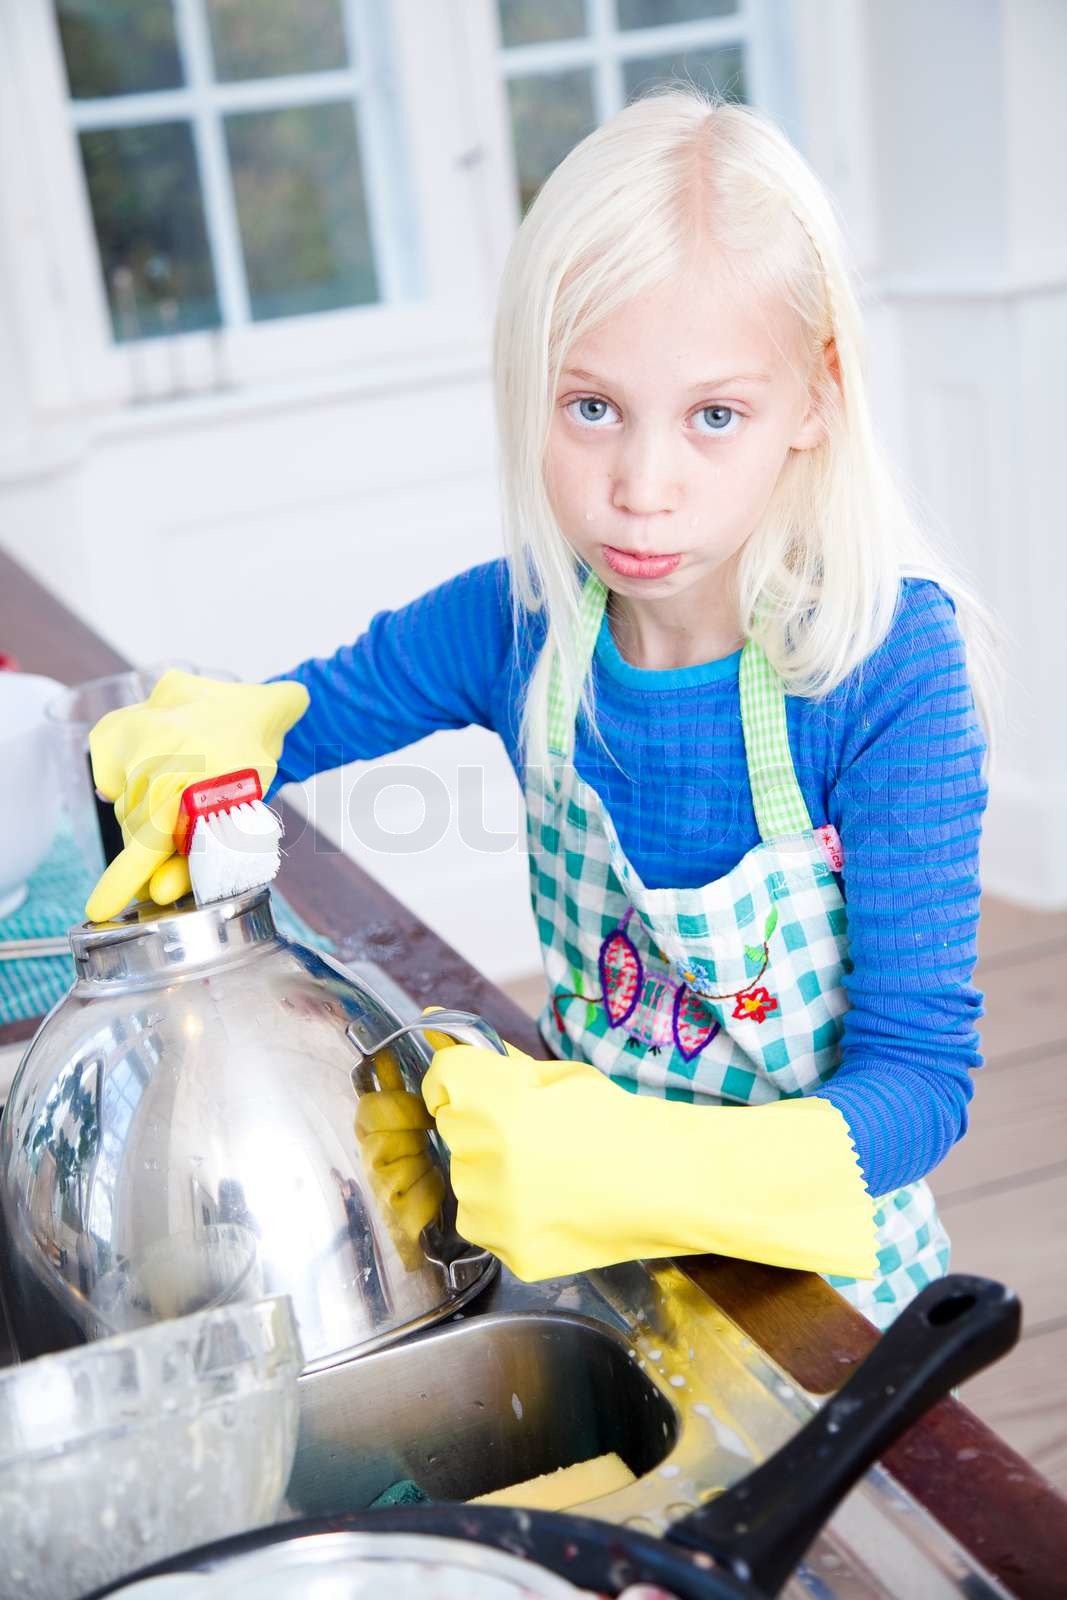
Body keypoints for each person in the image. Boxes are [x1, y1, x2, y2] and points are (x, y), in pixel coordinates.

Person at [85, 90, 996, 1329]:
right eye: (590, 408)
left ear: (816, 400)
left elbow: (920, 1080)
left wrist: (653, 1172)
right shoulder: (524, 621)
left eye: (713, 416)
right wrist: (228, 733)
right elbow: (301, 715)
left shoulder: (886, 666)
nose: (640, 488)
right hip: (595, 1253)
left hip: (824, 1292)